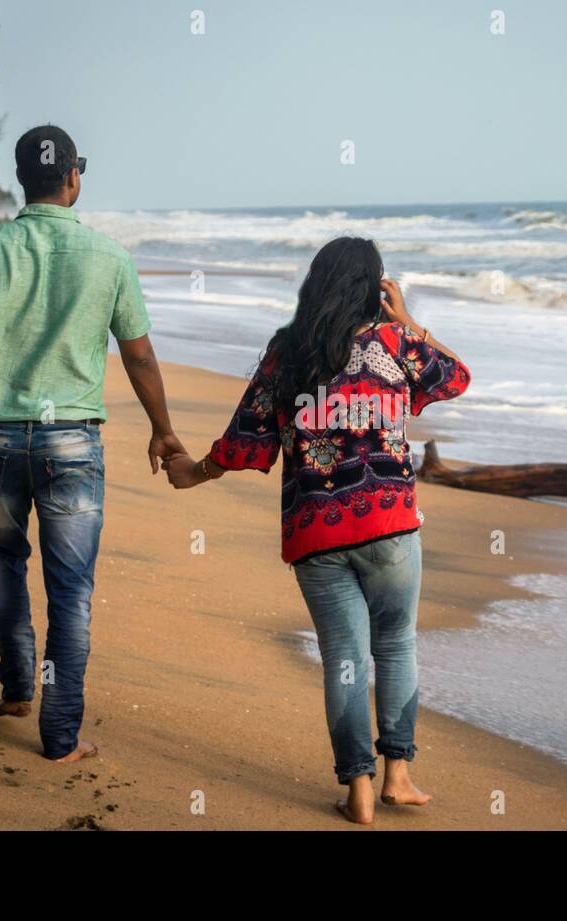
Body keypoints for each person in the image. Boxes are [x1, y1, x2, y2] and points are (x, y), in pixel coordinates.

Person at [165, 237, 470, 823]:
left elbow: (243, 440)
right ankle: (397, 778)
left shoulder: (288, 350)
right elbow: (455, 377)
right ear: (372, 289)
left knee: (345, 659)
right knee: (396, 644)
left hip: (316, 534)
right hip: (390, 526)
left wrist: (190, 474)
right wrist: (407, 320)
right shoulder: (395, 342)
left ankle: (357, 792)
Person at [0, 124, 185, 763]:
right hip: (72, 443)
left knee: (3, 558)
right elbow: (141, 356)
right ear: (73, 177)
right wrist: (163, 429)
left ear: (23, 179)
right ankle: (60, 734)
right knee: (70, 592)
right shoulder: (110, 257)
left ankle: (17, 690)